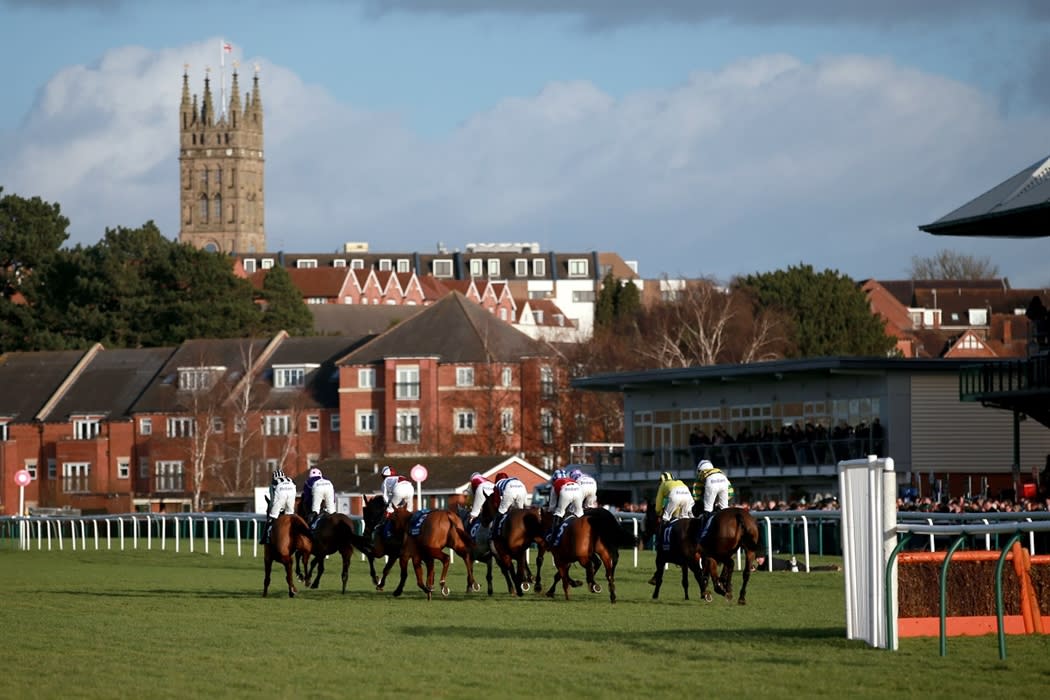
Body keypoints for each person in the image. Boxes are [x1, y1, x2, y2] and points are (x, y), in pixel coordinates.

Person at [546, 469, 584, 544]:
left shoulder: (556, 483)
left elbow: (552, 506)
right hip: (578, 490)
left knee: (559, 512)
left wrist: (551, 511)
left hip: (566, 491)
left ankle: (553, 539)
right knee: (579, 513)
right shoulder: (571, 479)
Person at [261, 468, 296, 544]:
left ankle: (265, 538)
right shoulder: (290, 479)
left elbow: (273, 499)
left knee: (272, 517)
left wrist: (274, 510)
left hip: (281, 494)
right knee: (290, 515)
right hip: (292, 491)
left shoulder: (274, 483)